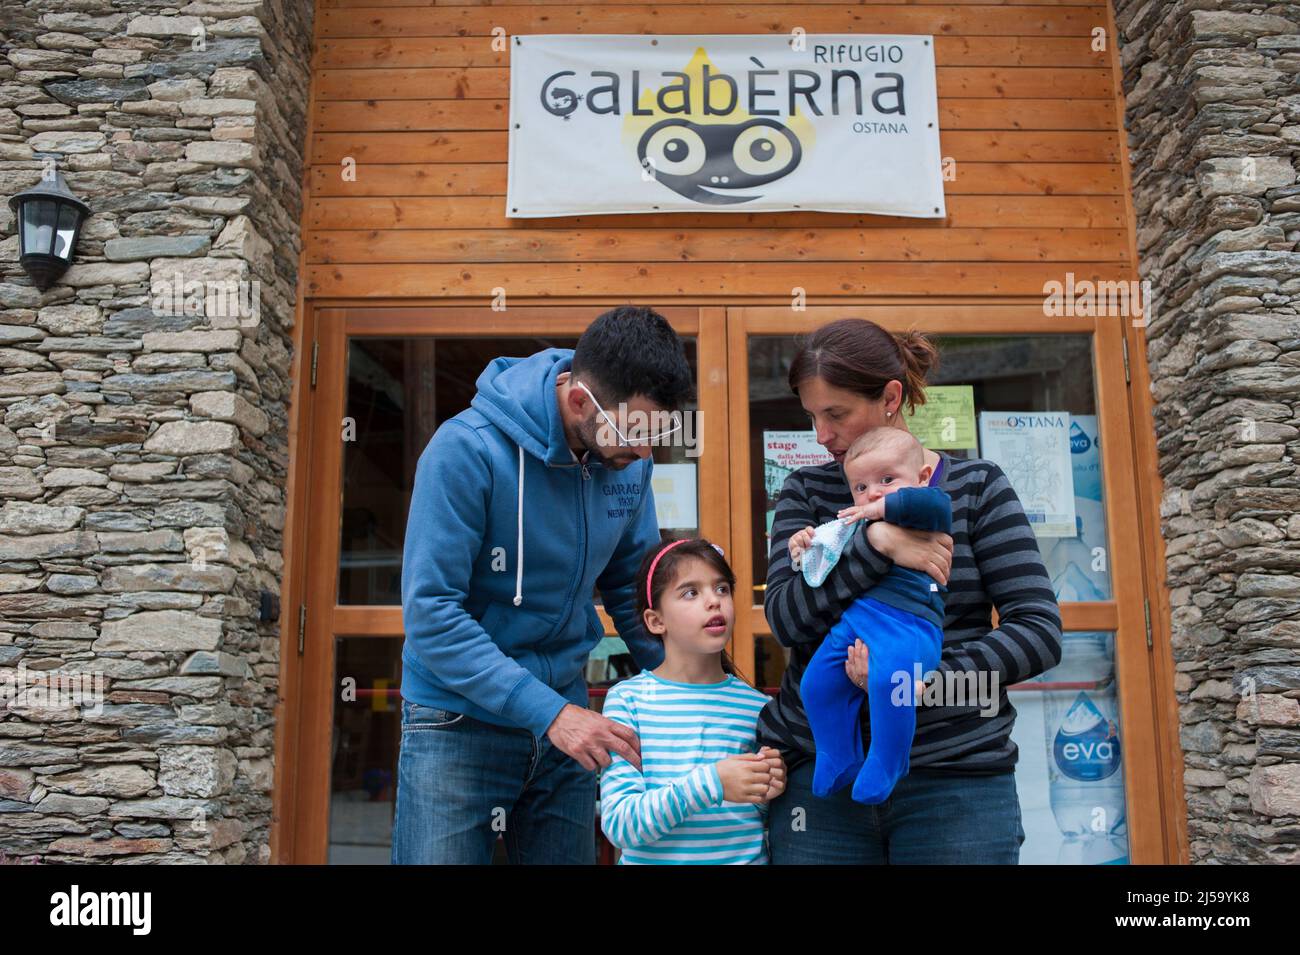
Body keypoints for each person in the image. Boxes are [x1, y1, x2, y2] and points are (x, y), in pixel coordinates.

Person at [392, 306, 694, 865]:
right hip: (457, 723)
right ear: (580, 400)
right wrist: (550, 715)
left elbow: (635, 587)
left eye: (660, 433)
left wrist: (685, 682)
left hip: (568, 715)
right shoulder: (465, 450)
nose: (646, 452)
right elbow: (433, 614)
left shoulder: (629, 463)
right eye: (634, 431)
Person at [759, 318, 1063, 864]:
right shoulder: (805, 490)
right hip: (822, 784)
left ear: (891, 397)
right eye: (811, 417)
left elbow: (1038, 633)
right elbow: (786, 619)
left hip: (958, 780)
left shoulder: (977, 487)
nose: (821, 435)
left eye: (836, 414)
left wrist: (919, 685)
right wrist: (876, 544)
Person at [599, 538, 786, 864]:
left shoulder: (757, 707)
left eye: (722, 589)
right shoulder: (628, 702)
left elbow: (764, 820)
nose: (714, 601)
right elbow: (620, 825)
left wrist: (769, 788)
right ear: (655, 621)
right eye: (691, 592)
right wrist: (711, 783)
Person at [789, 427, 950, 804]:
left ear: (923, 477)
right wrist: (802, 544)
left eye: (887, 480)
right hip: (859, 620)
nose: (873, 492)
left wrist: (876, 511)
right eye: (860, 487)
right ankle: (838, 754)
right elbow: (826, 549)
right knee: (815, 684)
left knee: (888, 684)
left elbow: (930, 505)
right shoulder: (859, 521)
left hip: (910, 625)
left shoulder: (931, 507)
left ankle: (889, 760)